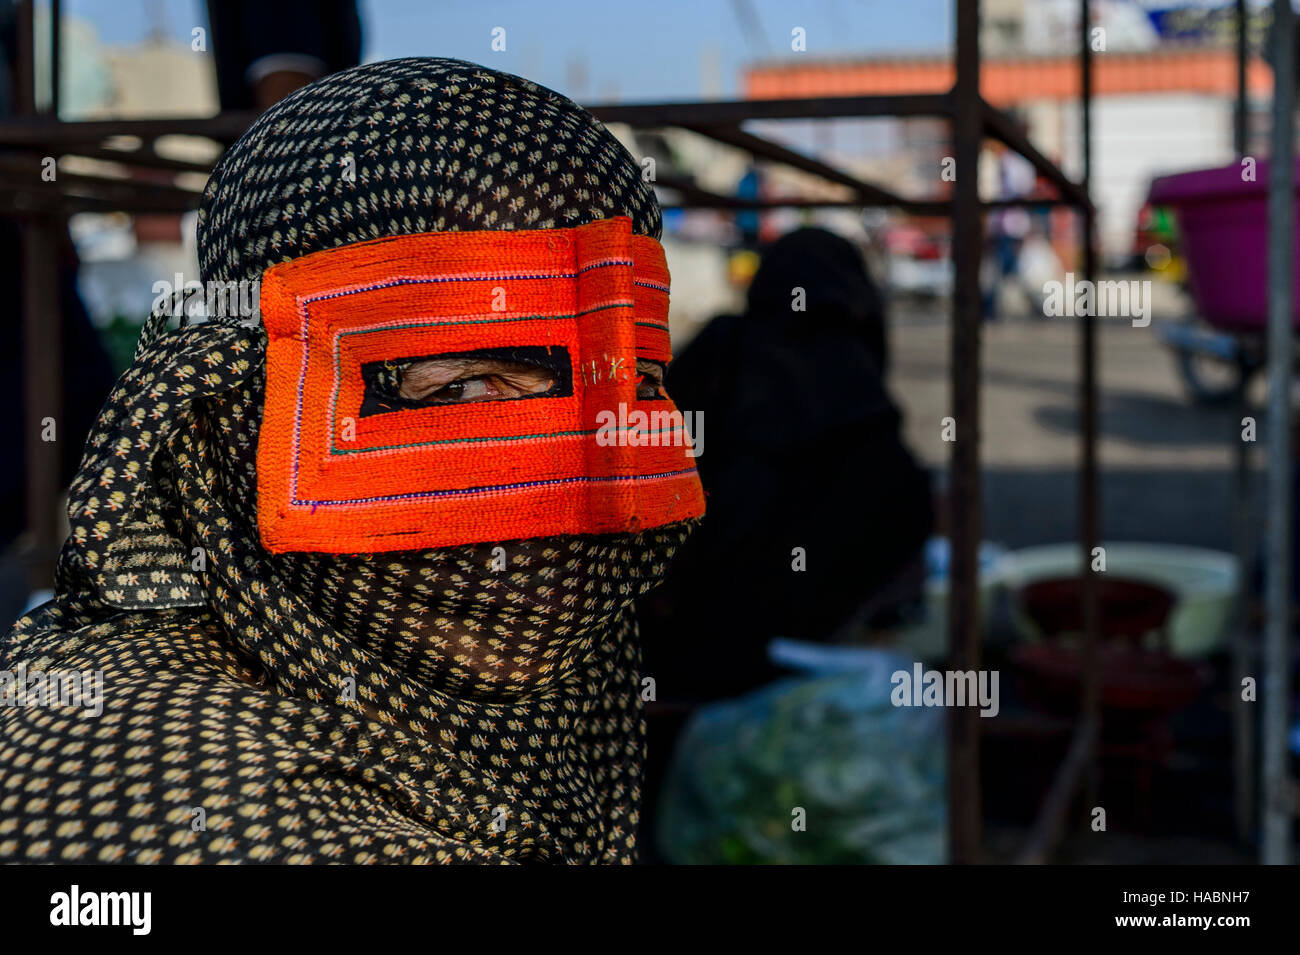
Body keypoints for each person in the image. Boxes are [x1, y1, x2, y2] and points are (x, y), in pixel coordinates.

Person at [0, 57, 704, 865]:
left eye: (636, 385)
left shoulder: (486, 709)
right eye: (467, 385)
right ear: (238, 408)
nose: (602, 515)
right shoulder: (170, 792)